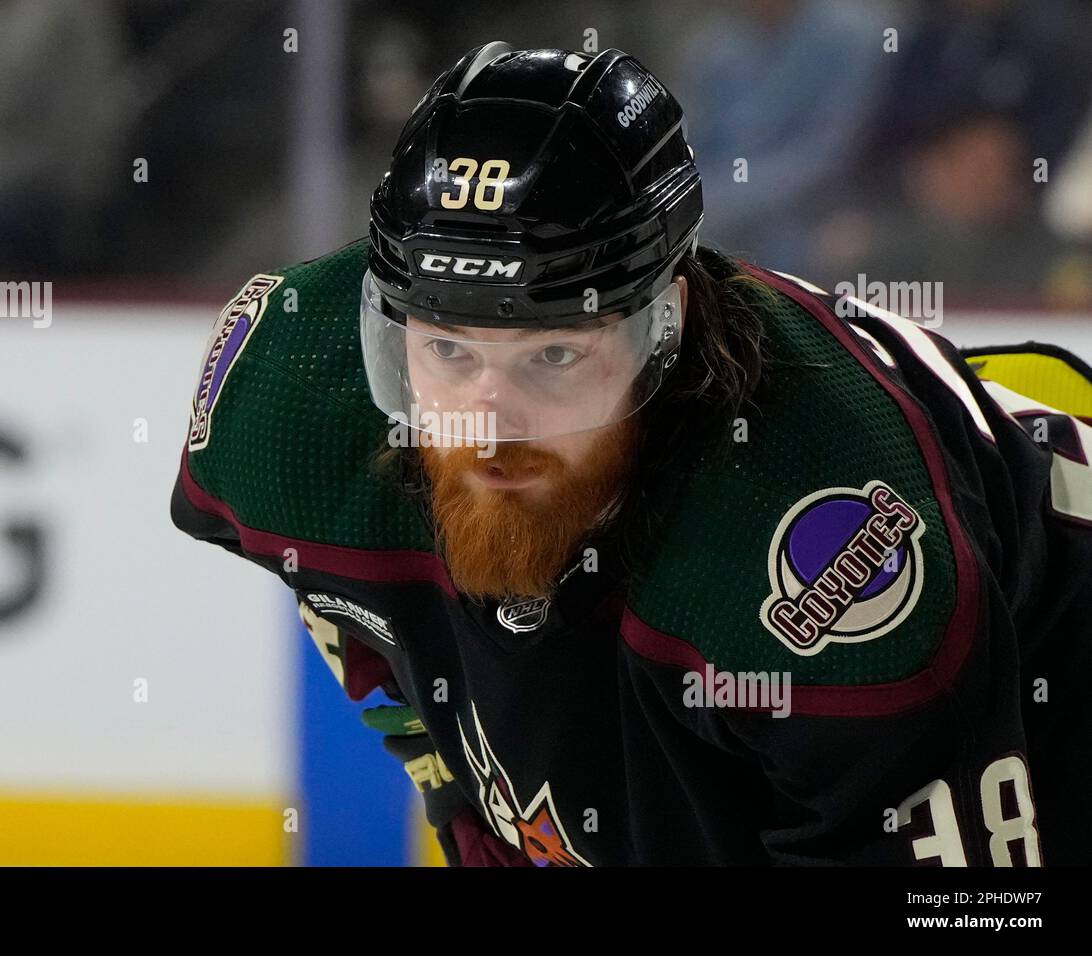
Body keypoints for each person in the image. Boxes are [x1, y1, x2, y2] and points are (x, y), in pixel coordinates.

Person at [171, 43, 1092, 865]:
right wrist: (458, 786)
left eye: (555, 355)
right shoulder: (288, 396)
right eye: (448, 352)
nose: (489, 425)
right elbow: (358, 625)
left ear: (668, 329)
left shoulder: (830, 558)